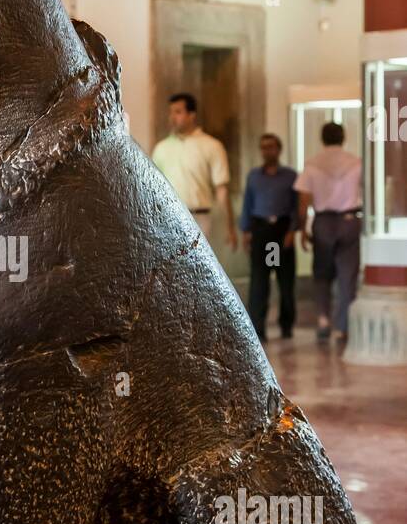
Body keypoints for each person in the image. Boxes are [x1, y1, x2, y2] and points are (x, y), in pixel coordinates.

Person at [295, 122, 362, 344]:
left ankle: (323, 320)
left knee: (322, 275)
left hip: (323, 222)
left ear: (322, 139)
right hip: (350, 220)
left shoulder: (312, 164)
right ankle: (343, 327)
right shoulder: (356, 162)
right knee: (347, 276)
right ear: (343, 138)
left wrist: (303, 229)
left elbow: (304, 200)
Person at [152, 92, 238, 249]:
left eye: (178, 112)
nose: (172, 117)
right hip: (169, 218)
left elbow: (221, 189)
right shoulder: (161, 148)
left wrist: (230, 227)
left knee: (202, 270)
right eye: (170, 112)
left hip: (202, 219)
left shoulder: (212, 145)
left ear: (191, 115)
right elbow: (153, 189)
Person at [240, 133, 297, 342]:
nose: (267, 151)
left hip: (280, 233)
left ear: (279, 149)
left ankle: (286, 324)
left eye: (271, 147)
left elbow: (295, 207)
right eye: (263, 147)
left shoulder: (290, 176)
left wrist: (292, 231)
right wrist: (246, 232)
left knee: (285, 281)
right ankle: (258, 326)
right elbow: (248, 204)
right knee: (259, 281)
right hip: (261, 231)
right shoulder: (254, 176)